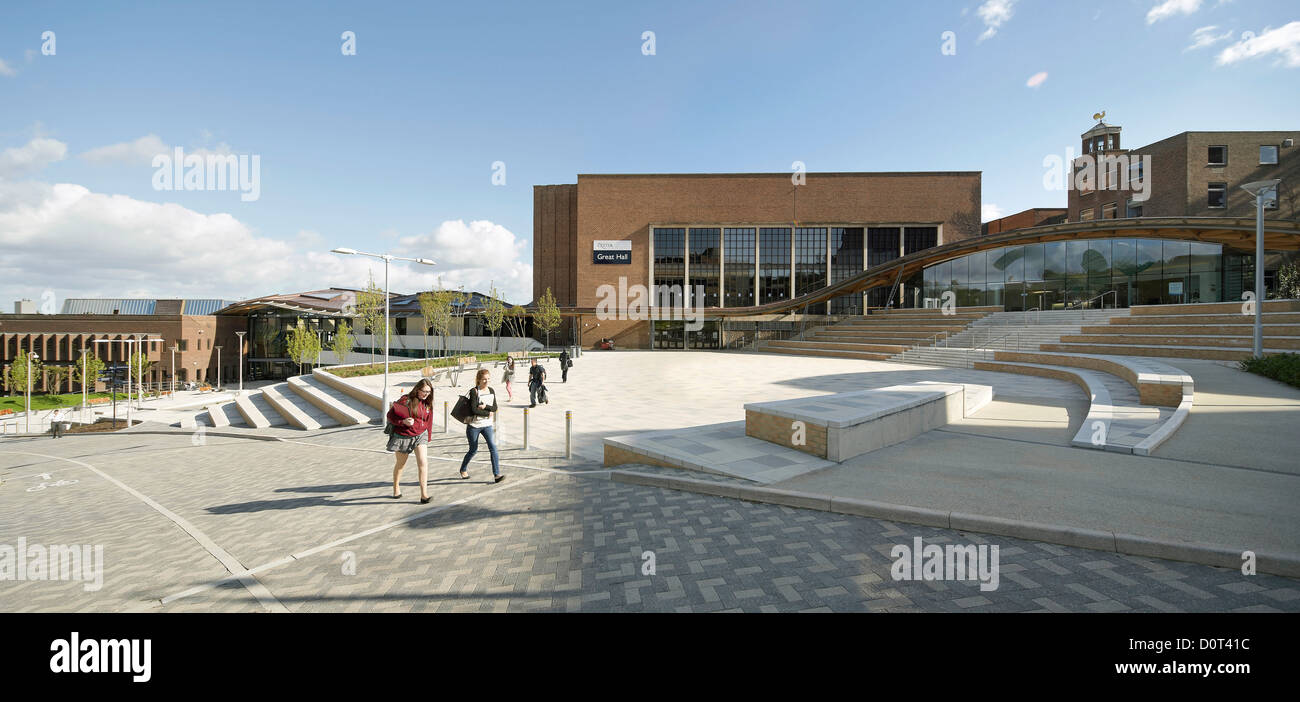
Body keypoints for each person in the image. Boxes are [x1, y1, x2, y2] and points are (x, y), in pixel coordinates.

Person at [386, 378, 435, 503]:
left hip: (420, 435)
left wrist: (428, 437)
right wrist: (403, 422)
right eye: (424, 391)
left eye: (429, 392)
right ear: (417, 389)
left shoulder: (428, 402)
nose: (426, 394)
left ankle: (424, 495)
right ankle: (396, 487)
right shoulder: (405, 400)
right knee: (401, 464)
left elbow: (429, 421)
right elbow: (390, 416)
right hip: (404, 436)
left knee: (423, 463)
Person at [459, 368, 503, 483]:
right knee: (473, 450)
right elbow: (474, 410)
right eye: (484, 379)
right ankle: (463, 469)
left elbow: (495, 407)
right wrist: (488, 413)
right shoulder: (474, 391)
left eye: (488, 379)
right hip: (474, 426)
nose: (486, 381)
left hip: (487, 425)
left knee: (493, 447)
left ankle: (497, 474)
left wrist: (485, 407)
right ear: (479, 380)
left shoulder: (491, 390)